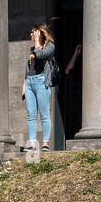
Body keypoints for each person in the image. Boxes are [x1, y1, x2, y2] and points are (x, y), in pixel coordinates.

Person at [21, 23, 59, 152]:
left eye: (33, 33)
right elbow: (28, 69)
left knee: (44, 114)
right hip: (30, 83)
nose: (31, 35)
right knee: (31, 115)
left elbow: (40, 55)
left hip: (42, 81)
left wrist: (37, 41)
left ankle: (45, 143)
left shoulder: (50, 47)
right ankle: (32, 144)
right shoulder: (31, 50)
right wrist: (24, 86)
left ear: (40, 34)